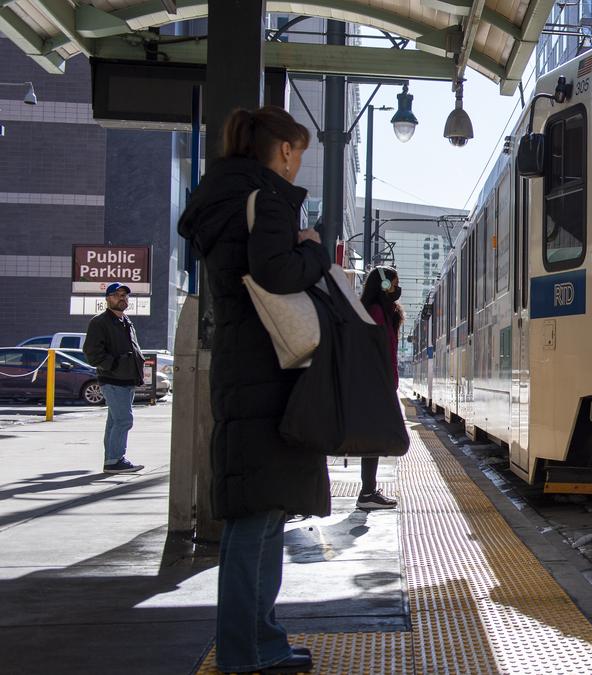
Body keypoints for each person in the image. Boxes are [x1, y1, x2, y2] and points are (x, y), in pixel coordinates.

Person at [177, 106, 328, 675]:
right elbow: (277, 273)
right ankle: (247, 652)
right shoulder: (264, 201)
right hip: (267, 373)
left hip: (246, 372)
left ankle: (260, 642)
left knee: (261, 514)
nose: (298, 165)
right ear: (284, 150)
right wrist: (312, 247)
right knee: (254, 523)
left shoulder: (223, 200)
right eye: (299, 154)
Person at [83, 282, 146, 474]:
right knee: (124, 421)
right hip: (113, 380)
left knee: (114, 422)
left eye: (125, 295)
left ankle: (111, 459)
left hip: (127, 380)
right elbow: (92, 354)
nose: (122, 298)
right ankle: (115, 461)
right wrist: (115, 365)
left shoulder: (126, 321)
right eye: (117, 294)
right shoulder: (100, 322)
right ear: (108, 298)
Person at [356, 266, 403, 510]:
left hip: (380, 382)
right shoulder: (375, 312)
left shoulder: (382, 311)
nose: (397, 289)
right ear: (384, 286)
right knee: (373, 438)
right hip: (376, 383)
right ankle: (367, 493)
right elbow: (376, 350)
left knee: (375, 438)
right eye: (394, 284)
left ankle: (368, 491)